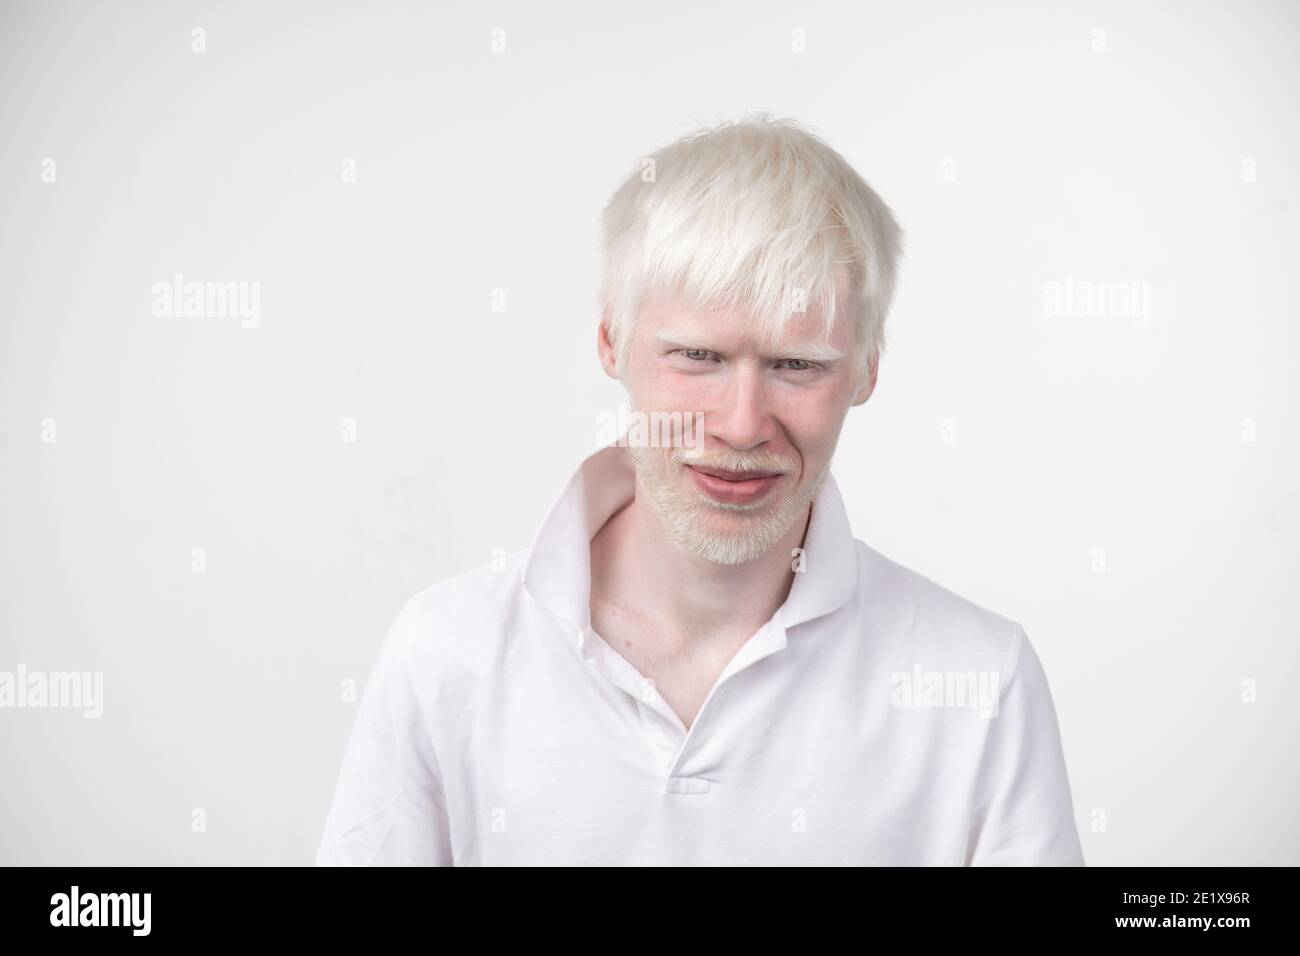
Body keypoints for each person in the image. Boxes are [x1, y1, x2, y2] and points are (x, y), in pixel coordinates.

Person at [315, 113, 1086, 866]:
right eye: (697, 356)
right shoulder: (447, 652)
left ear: (866, 371)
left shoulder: (979, 681)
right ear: (610, 341)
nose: (743, 426)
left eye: (797, 365)